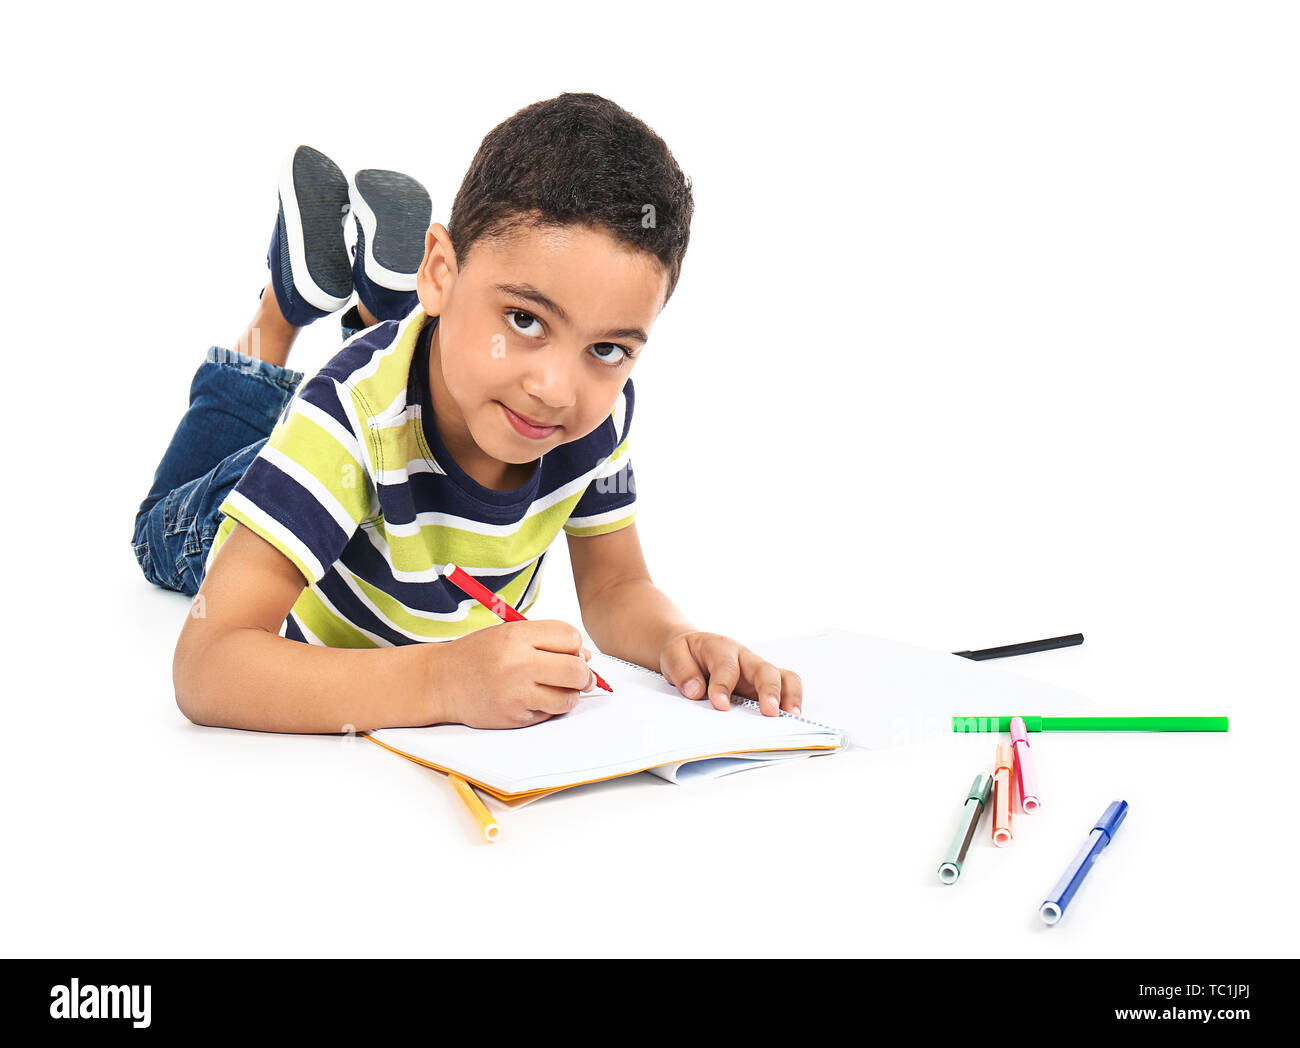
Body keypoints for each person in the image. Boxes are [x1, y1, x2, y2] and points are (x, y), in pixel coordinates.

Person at [132, 92, 803, 734]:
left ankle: (380, 310)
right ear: (441, 270)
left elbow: (618, 586)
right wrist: (442, 681)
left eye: (606, 347)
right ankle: (282, 304)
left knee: (425, 381)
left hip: (400, 428)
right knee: (160, 527)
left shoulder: (595, 420)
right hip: (300, 477)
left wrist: (678, 641)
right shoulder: (344, 420)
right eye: (525, 319)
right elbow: (207, 665)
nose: (556, 389)